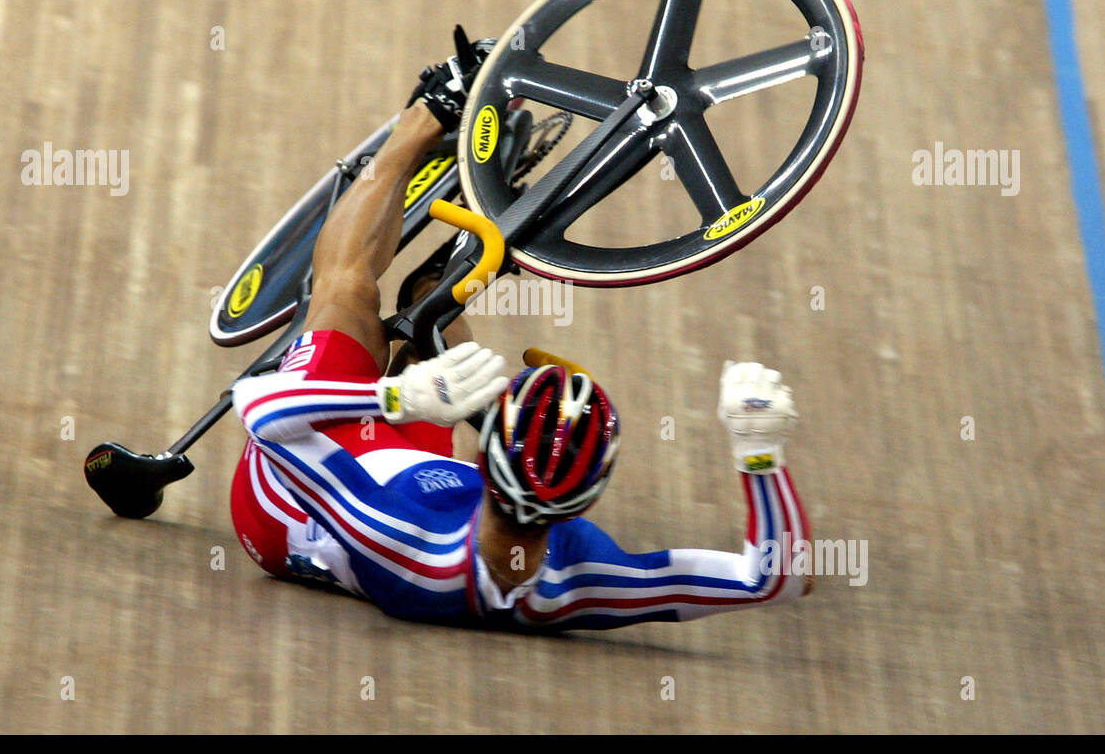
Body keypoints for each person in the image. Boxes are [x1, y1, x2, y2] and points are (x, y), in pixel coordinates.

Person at [228, 32, 813, 630]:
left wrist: (399, 397)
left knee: (348, 292)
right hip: (431, 489)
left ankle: (425, 115)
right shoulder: (585, 582)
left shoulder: (391, 527)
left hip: (288, 504)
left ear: (486, 450)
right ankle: (478, 234)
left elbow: (259, 409)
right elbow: (775, 577)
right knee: (433, 300)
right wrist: (758, 450)